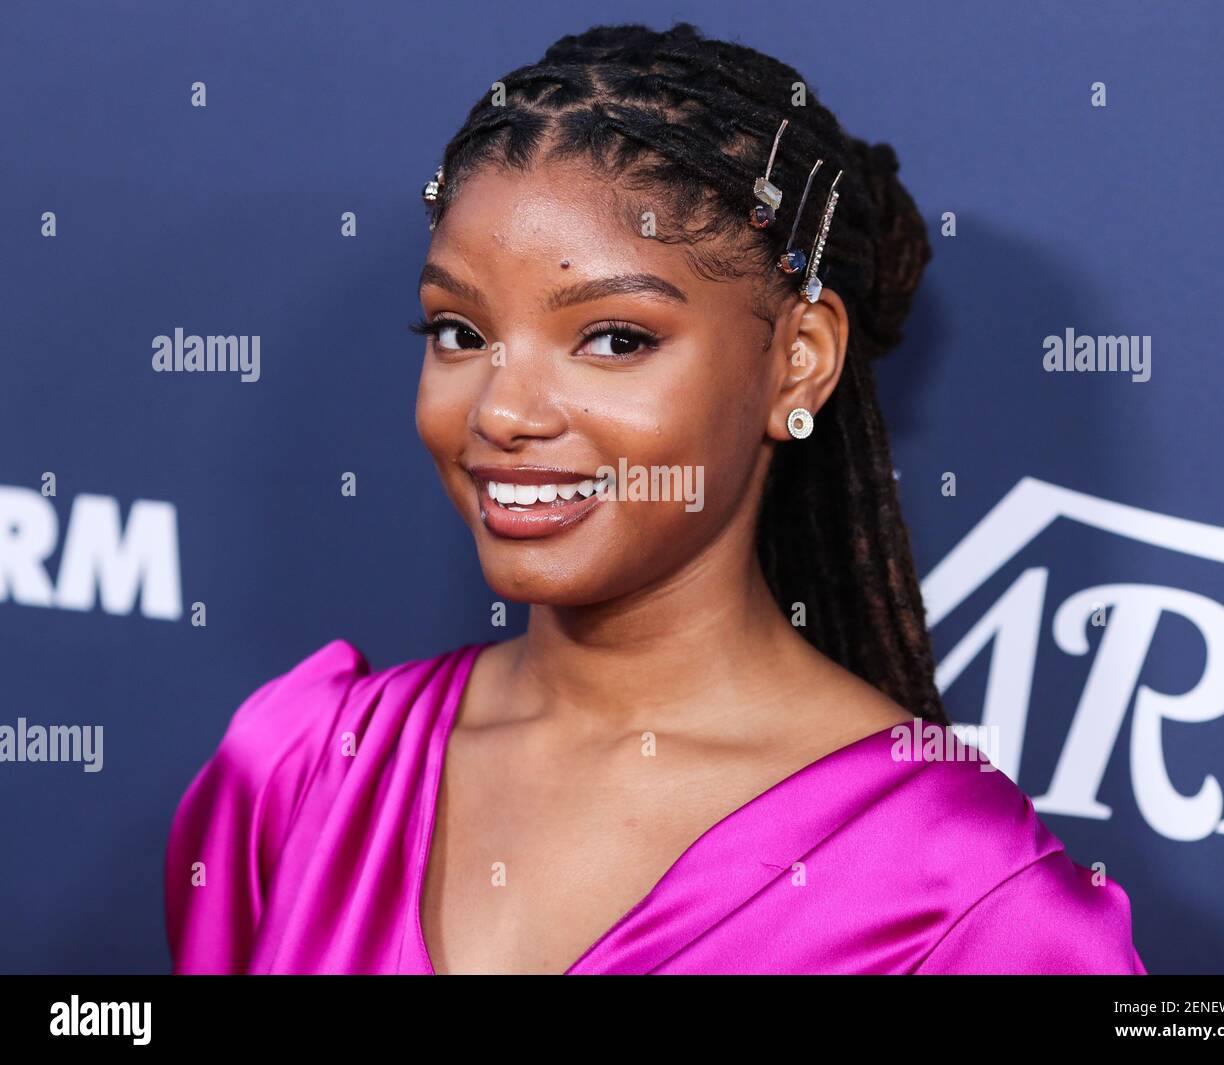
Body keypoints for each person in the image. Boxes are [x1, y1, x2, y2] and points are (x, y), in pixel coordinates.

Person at [165, 22, 1145, 975]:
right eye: (458, 333)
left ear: (797, 364)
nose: (501, 411)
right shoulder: (303, 772)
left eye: (614, 338)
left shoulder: (963, 898)